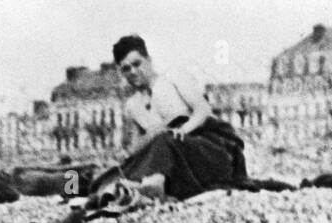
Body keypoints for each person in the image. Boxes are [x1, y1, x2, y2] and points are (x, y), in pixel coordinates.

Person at [97, 35, 247, 202]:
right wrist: (151, 134)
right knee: (121, 168)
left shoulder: (172, 78)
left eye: (137, 64)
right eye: (126, 69)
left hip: (208, 150)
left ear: (148, 60)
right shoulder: (133, 105)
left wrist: (182, 130)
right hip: (173, 160)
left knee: (165, 140)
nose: (133, 72)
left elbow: (203, 110)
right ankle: (128, 189)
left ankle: (154, 185)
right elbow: (136, 147)